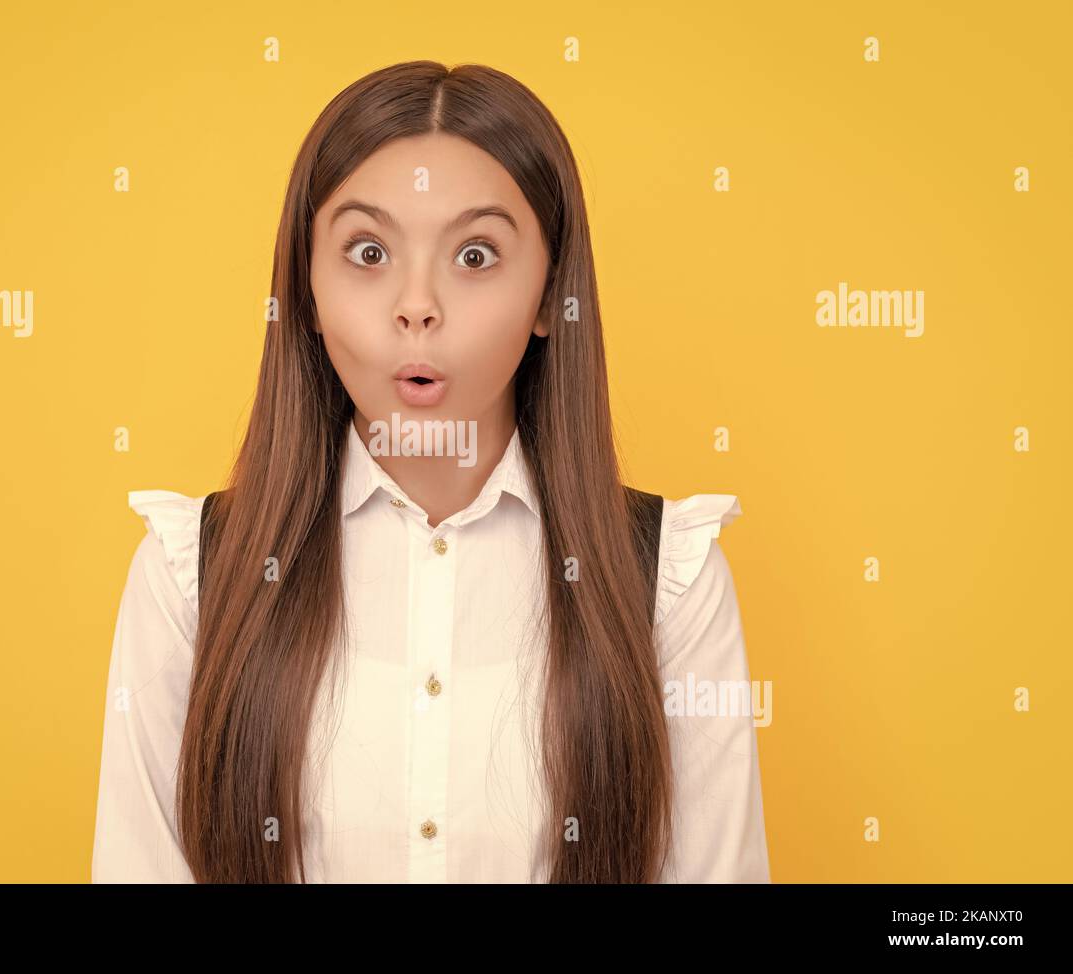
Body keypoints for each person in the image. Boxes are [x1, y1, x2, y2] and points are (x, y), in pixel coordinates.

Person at [91, 60, 769, 883]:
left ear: (554, 293)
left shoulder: (670, 580)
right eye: (368, 251)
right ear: (304, 289)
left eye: (475, 255)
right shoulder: (190, 575)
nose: (418, 305)